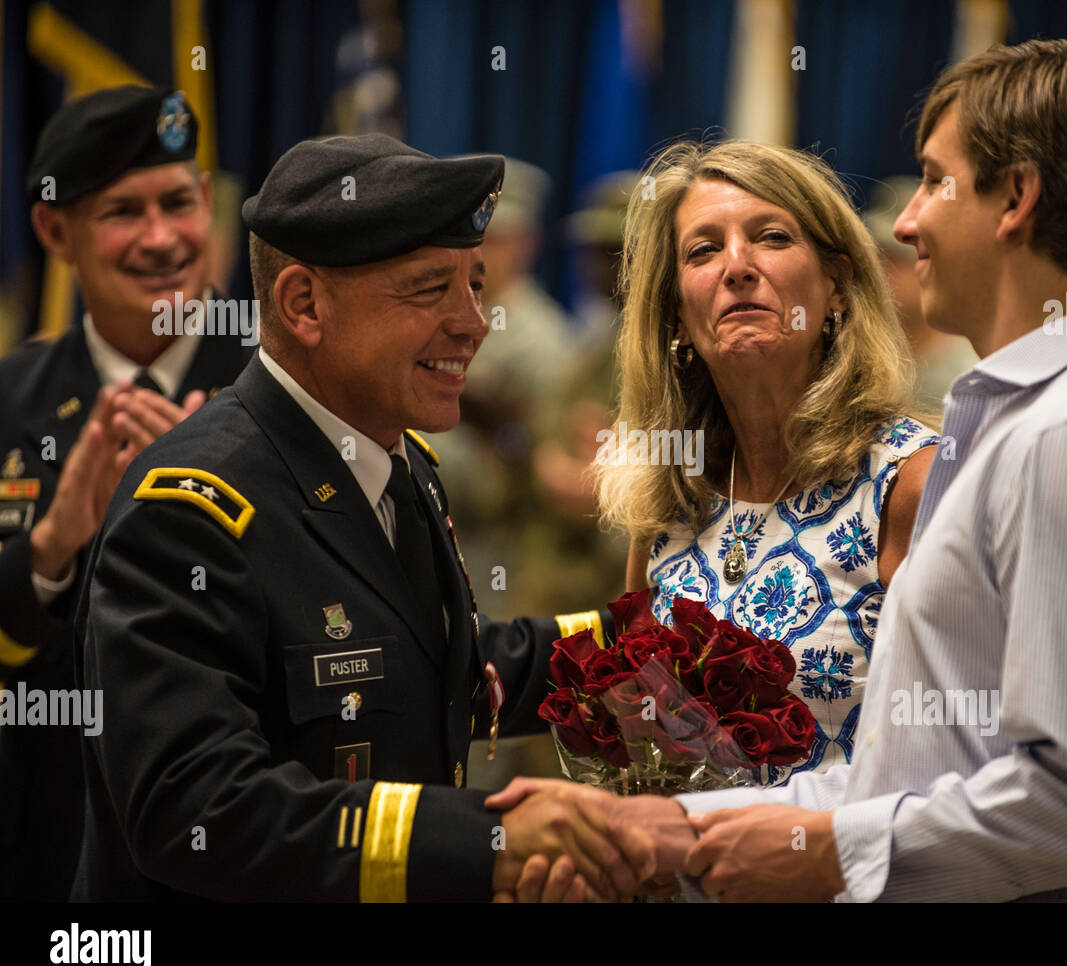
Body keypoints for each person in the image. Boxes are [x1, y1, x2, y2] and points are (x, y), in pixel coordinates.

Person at [493, 37, 1067, 902]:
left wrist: (820, 849)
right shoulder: (1022, 420)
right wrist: (655, 833)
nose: (909, 220)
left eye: (931, 178)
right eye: (703, 252)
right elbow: (916, 772)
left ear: (1017, 199)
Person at [73, 133, 649, 902]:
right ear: (304, 305)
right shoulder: (194, 510)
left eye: (475, 286)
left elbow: (442, 670)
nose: (474, 323)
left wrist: (646, 636)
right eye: (428, 289)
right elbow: (196, 809)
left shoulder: (393, 462)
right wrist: (485, 840)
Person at [596, 140, 937, 786]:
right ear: (675, 313)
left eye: (772, 237)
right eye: (702, 250)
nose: (737, 266)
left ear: (836, 287)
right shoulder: (665, 498)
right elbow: (635, 727)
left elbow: (955, 767)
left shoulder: (911, 484)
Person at [0, 85, 250, 899]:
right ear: (53, 230)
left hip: (243, 844)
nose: (160, 238)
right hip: (50, 844)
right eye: (121, 211)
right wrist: (52, 545)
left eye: (179, 202)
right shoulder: (13, 400)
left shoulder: (282, 377)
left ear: (209, 205)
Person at [861, 176, 976, 415]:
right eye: (877, 258)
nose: (883, 272)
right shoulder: (862, 355)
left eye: (896, 259)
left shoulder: (972, 370)